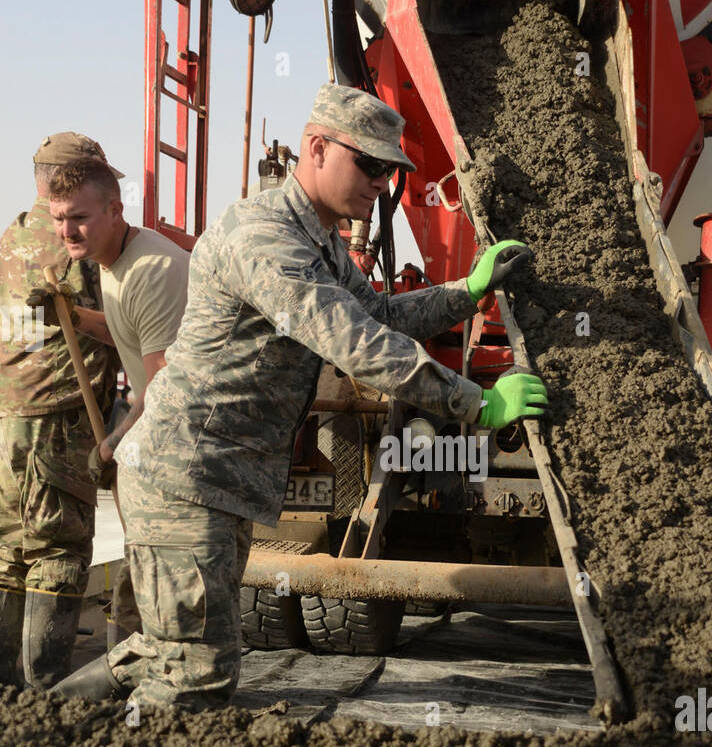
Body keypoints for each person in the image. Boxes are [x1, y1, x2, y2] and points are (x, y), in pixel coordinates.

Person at [53, 84, 547, 710]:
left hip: (214, 482)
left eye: (388, 169)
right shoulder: (264, 238)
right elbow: (352, 340)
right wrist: (476, 403)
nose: (379, 180)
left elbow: (378, 315)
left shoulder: (321, 241)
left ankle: (46, 721)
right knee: (196, 675)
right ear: (316, 149)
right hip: (184, 476)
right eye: (368, 164)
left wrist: (465, 289)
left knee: (171, 650)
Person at [47, 157, 190, 642]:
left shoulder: (152, 269)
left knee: (162, 589)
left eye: (79, 217)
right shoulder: (111, 262)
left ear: (114, 209)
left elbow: (164, 382)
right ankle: (129, 693)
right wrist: (71, 314)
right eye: (58, 218)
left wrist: (115, 443)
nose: (67, 230)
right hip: (157, 443)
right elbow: (127, 333)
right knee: (138, 578)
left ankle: (155, 694)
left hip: (184, 451)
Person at [0, 133, 121, 689]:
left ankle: (6, 690)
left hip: (8, 418)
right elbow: (121, 325)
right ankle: (46, 689)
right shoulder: (79, 249)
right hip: (61, 422)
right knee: (59, 548)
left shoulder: (11, 236)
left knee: (9, 549)